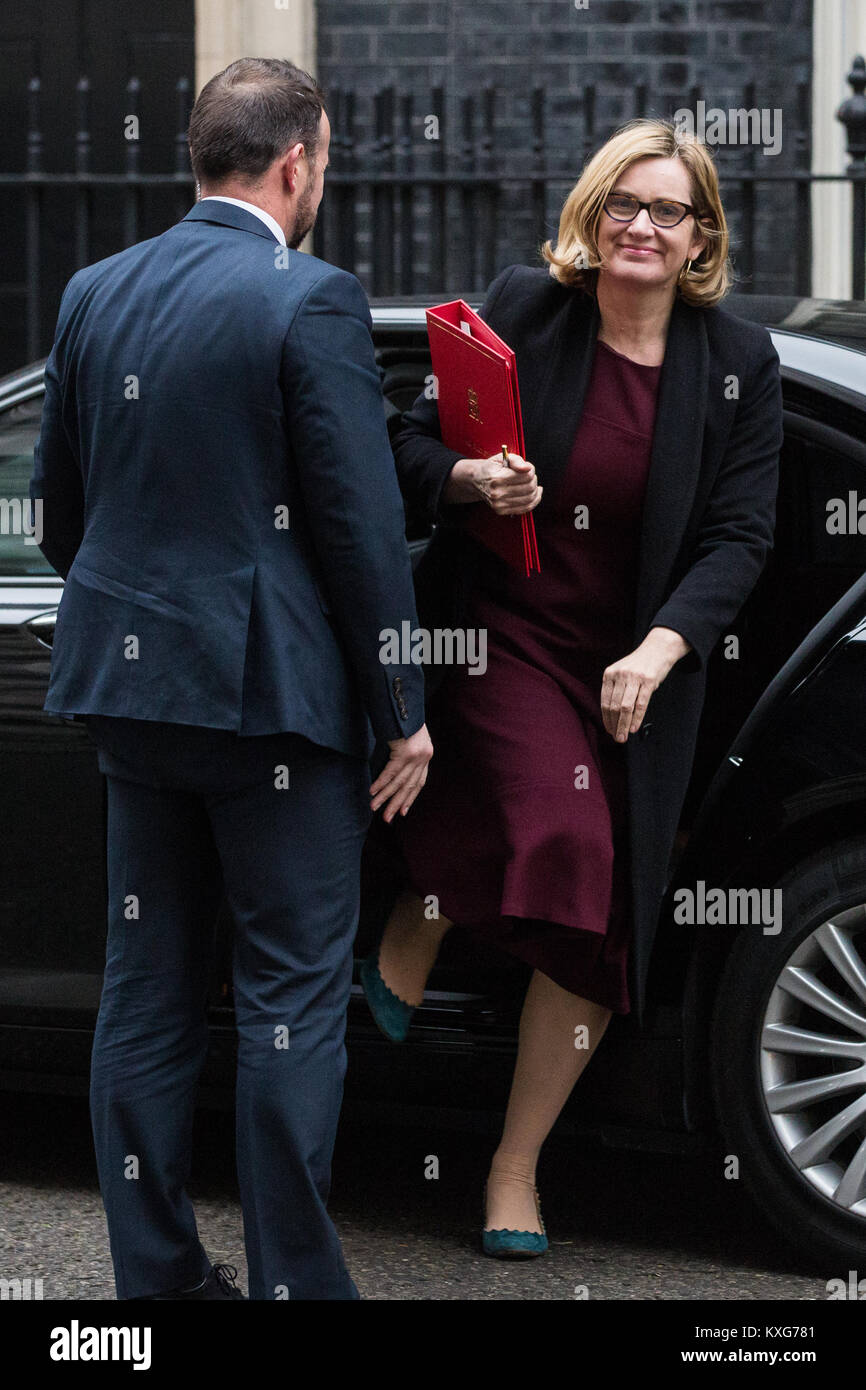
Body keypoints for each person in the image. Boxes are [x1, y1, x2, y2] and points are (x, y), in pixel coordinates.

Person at [30, 57, 432, 1301]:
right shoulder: (307, 296)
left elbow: (60, 513)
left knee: (144, 996)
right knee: (288, 1002)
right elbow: (364, 534)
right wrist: (402, 712)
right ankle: (295, 1290)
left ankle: (156, 1284)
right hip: (274, 711)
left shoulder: (95, 292)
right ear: (298, 160)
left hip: (135, 699)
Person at [361, 118, 783, 1257]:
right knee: (570, 839)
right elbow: (401, 450)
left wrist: (661, 647)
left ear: (699, 237)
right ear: (592, 217)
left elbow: (739, 540)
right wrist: (464, 478)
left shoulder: (738, 363)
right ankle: (424, 907)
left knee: (604, 924)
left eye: (668, 211)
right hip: (502, 634)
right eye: (622, 205)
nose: (642, 226)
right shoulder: (523, 307)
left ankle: (512, 1169)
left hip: (629, 666)